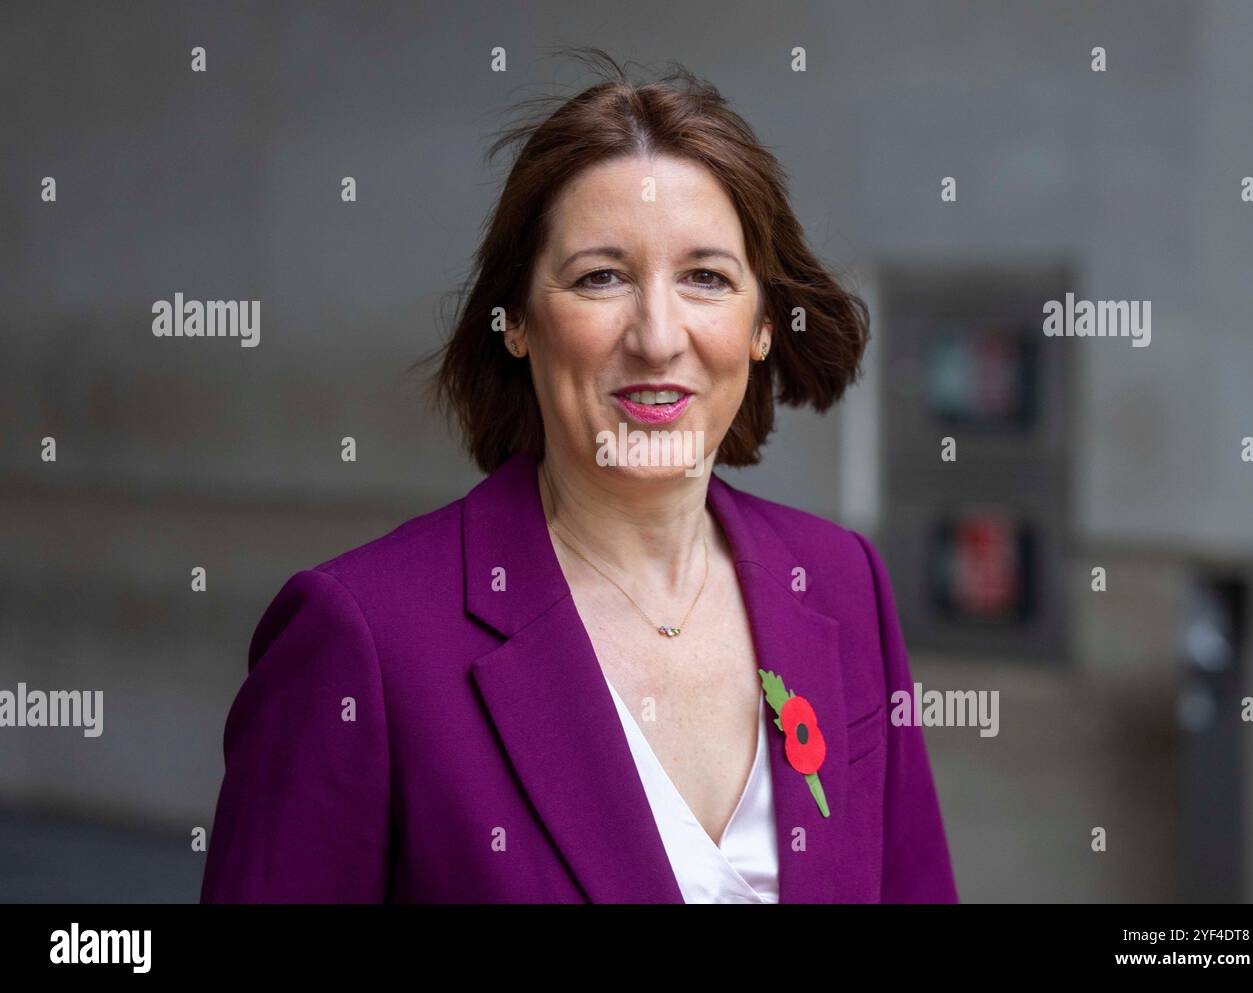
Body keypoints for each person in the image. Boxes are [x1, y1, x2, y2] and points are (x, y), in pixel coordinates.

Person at [200, 48, 957, 904]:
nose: (657, 335)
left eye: (706, 277)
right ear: (517, 321)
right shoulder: (364, 639)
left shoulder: (841, 582)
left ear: (761, 325)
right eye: (601, 277)